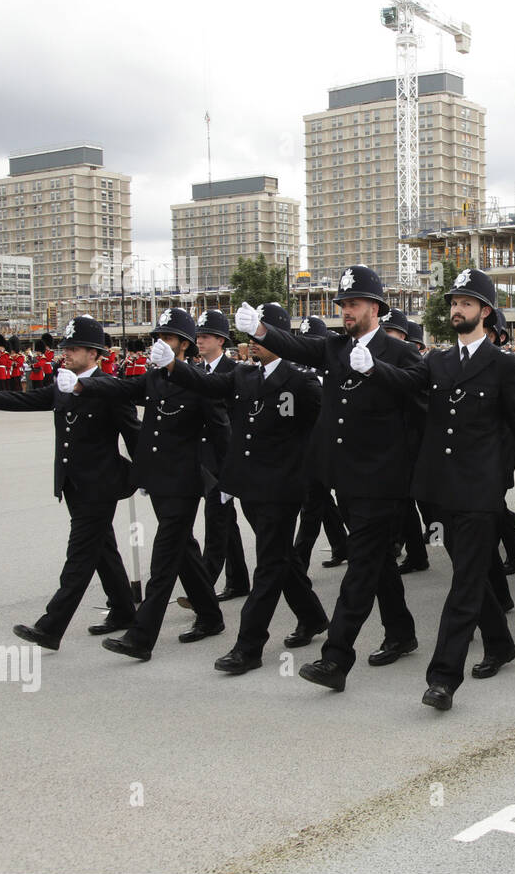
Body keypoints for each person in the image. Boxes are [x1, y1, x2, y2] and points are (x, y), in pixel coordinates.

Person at [366, 268, 515, 710]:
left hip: (480, 488)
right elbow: (406, 385)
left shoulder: (506, 365)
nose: (456, 309)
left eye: (466, 303)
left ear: (485, 312)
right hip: (438, 486)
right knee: (469, 572)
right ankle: (501, 643)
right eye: (453, 303)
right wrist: (373, 369)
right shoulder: (436, 361)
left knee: (465, 582)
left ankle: (443, 677)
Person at [238, 265, 423, 689]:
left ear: (375, 307)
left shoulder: (397, 350)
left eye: (354, 304)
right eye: (343, 305)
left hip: (383, 478)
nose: (347, 312)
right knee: (375, 563)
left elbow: (417, 386)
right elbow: (299, 347)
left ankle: (335, 658)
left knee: (359, 566)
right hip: (346, 476)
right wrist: (263, 331)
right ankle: (401, 632)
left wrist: (376, 369)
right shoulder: (337, 347)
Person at [162, 303, 329, 673]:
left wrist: (317, 473)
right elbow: (206, 383)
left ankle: (248, 646)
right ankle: (313, 615)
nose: (252, 342)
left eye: (261, 333)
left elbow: (326, 429)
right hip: (250, 485)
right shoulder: (244, 376)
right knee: (280, 557)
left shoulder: (302, 382)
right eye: (250, 334)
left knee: (268, 565)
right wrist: (172, 367)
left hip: (283, 489)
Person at [0, 315, 139, 650]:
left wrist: (146, 474)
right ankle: (122, 609)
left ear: (94, 354)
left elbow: (134, 434)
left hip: (100, 486)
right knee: (102, 549)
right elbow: (28, 400)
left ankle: (50, 627)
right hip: (73, 484)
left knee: (80, 557)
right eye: (65, 347)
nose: (67, 353)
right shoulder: (62, 384)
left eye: (74, 348)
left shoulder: (111, 388)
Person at [70, 308, 229, 656]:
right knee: (184, 551)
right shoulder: (155, 378)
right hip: (159, 480)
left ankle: (141, 637)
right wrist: (85, 383)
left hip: (185, 482)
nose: (160, 343)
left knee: (164, 560)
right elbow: (122, 388)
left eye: (168, 338)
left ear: (184, 345)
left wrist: (229, 478)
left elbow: (220, 431)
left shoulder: (199, 382)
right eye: (158, 337)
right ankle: (210, 615)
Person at [184, 310, 250, 606]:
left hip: (226, 458)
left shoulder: (234, 372)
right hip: (203, 456)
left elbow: (238, 419)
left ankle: (204, 586)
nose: (200, 341)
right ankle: (238, 580)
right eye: (198, 336)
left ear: (221, 340)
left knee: (216, 521)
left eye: (206, 336)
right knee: (227, 521)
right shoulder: (198, 371)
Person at [289, 314, 350, 574]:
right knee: (320, 503)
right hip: (309, 450)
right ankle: (341, 546)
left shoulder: (330, 367)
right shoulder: (297, 368)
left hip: (330, 448)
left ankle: (298, 564)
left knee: (314, 508)